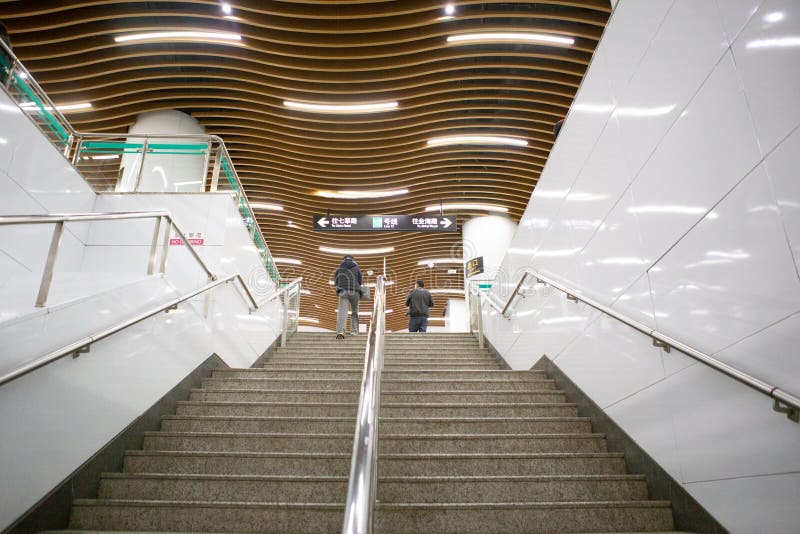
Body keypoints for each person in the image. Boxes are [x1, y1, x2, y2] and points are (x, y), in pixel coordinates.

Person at [334, 254, 363, 339]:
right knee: (354, 312)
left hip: (343, 291)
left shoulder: (339, 269)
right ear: (352, 260)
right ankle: (354, 331)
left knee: (342, 312)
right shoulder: (357, 268)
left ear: (344, 260)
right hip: (355, 292)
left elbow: (336, 282)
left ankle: (341, 331)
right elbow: (360, 281)